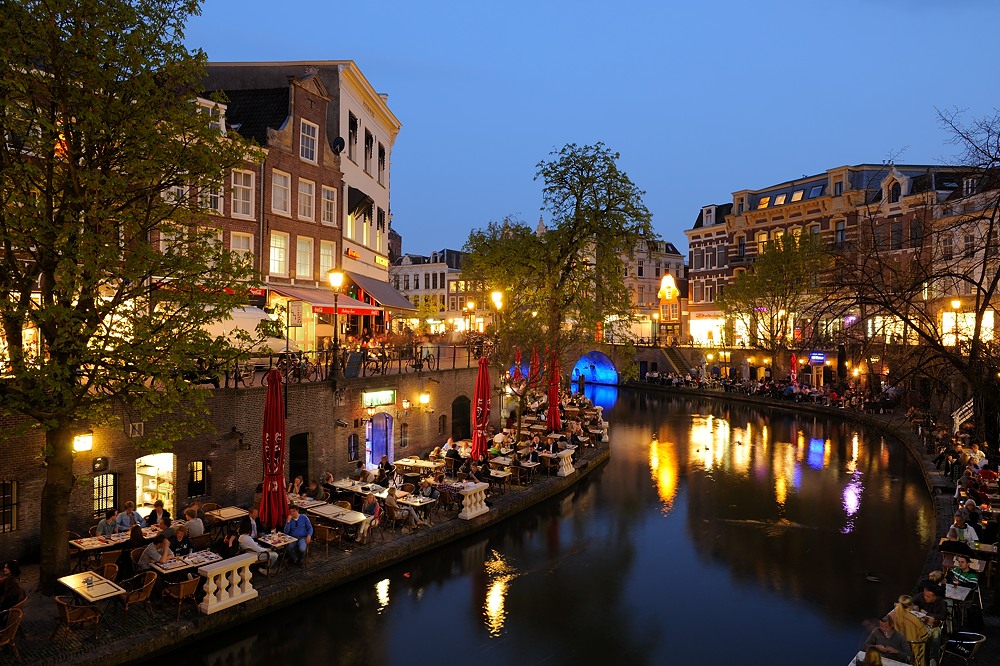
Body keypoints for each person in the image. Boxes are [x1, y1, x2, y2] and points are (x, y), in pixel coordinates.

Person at [910, 583, 947, 659]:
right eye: (924, 595)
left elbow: (943, 616)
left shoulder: (941, 603)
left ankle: (934, 657)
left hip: (932, 625)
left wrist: (927, 613)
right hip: (918, 622)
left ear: (935, 597)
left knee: (936, 634)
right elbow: (912, 601)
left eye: (928, 596)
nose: (925, 597)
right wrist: (914, 606)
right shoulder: (921, 596)